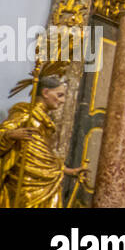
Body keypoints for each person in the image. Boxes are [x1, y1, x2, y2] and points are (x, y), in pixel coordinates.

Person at [0, 68, 85, 208]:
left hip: (46, 181)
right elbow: (3, 133)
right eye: (60, 95)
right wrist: (10, 135)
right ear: (45, 93)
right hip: (24, 184)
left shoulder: (46, 123)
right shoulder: (27, 115)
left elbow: (43, 156)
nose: (63, 101)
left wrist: (69, 171)